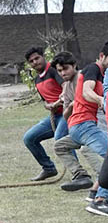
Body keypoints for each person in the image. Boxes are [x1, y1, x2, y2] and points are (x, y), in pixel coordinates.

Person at [67, 40, 108, 214]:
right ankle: (100, 200)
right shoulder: (93, 69)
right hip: (82, 124)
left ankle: (94, 191)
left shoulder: (104, 74)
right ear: (102, 56)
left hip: (84, 124)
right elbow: (86, 91)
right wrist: (101, 100)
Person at [22, 46, 68, 181]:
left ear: (43, 57)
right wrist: (49, 106)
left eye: (37, 58)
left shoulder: (54, 70)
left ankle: (79, 174)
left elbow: (65, 86)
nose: (35, 62)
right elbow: (45, 102)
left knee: (61, 139)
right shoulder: (37, 80)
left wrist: (60, 100)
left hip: (68, 113)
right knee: (29, 138)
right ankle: (48, 168)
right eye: (32, 61)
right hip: (55, 116)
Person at [51, 52, 94, 191]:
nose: (63, 73)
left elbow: (91, 99)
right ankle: (80, 176)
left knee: (87, 149)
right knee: (59, 146)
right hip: (80, 127)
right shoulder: (67, 86)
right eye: (59, 71)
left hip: (95, 125)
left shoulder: (85, 77)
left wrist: (76, 103)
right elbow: (65, 115)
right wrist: (70, 105)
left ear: (74, 65)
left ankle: (106, 184)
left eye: (65, 69)